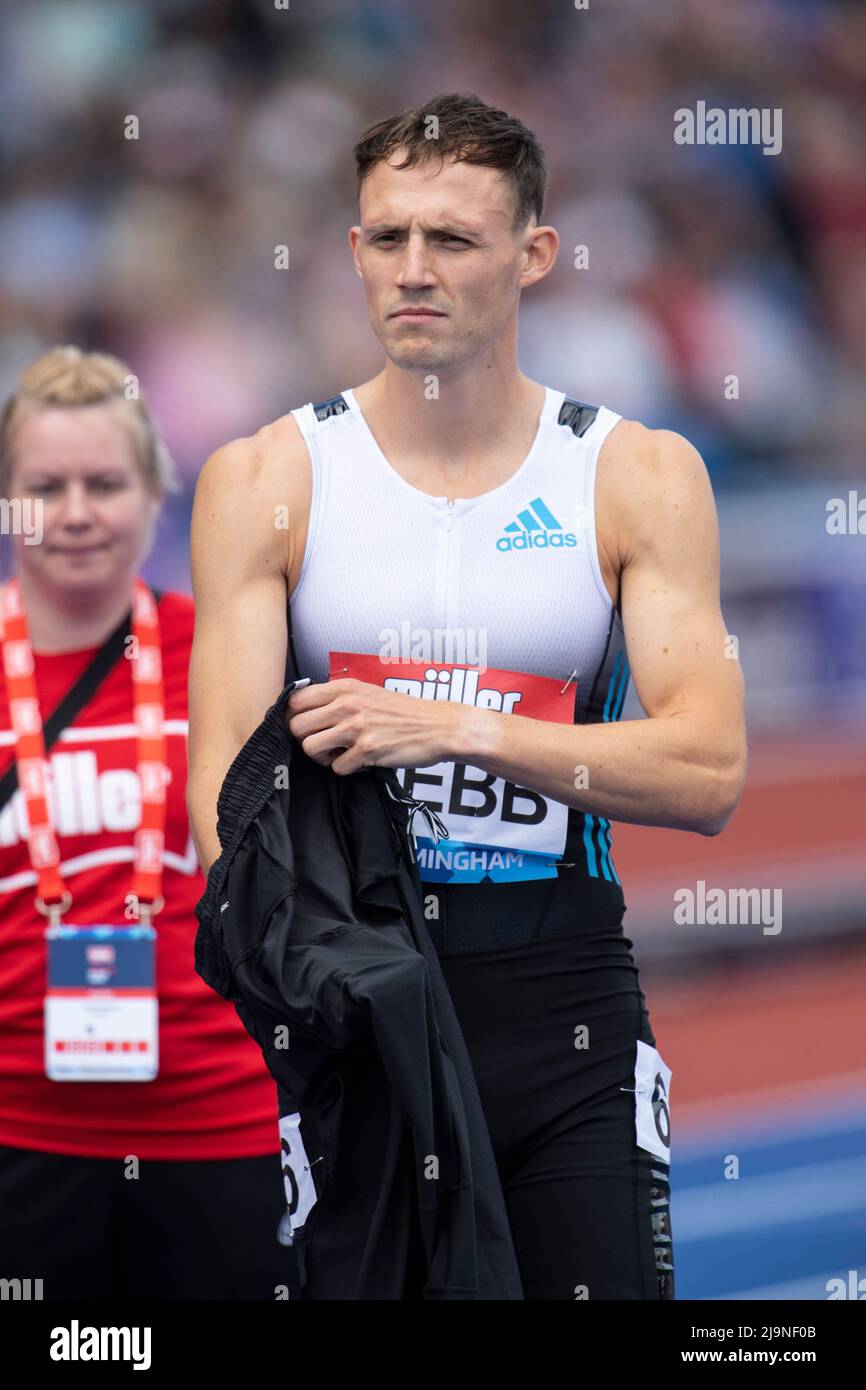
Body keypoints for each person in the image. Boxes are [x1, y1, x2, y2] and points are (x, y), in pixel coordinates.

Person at [187, 93, 747, 1300]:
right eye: (386, 239)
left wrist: (451, 728)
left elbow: (707, 773)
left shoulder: (635, 474)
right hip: (356, 1006)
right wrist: (325, 987)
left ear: (533, 254)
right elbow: (222, 824)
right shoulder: (266, 479)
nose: (413, 270)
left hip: (562, 1005)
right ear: (351, 252)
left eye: (452, 239)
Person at [0, 346, 293, 1300]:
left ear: (157, 492)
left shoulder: (229, 653)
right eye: (45, 485)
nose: (77, 511)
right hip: (21, 1140)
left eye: (106, 482)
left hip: (224, 1125)